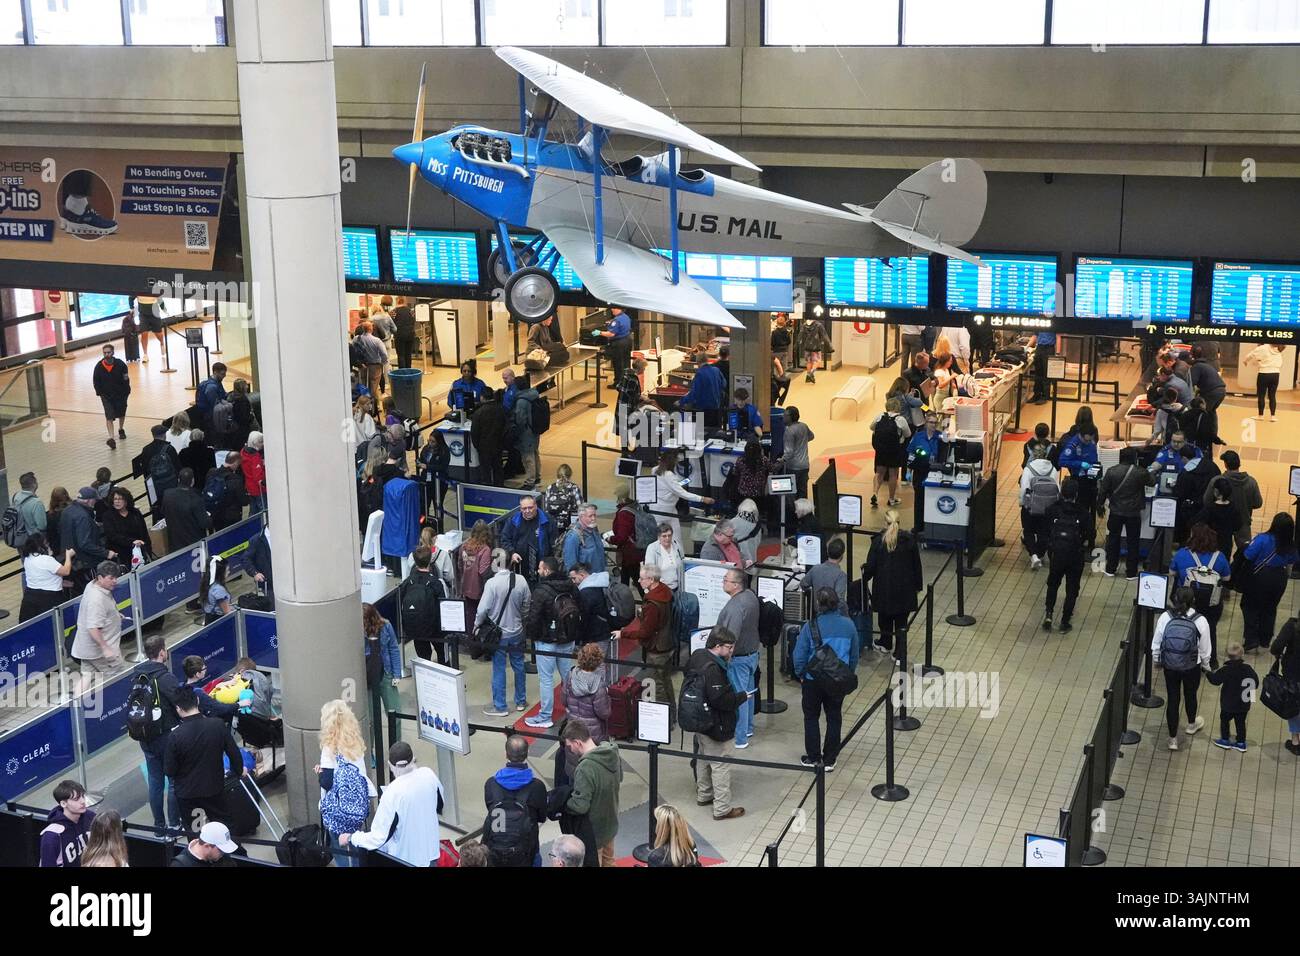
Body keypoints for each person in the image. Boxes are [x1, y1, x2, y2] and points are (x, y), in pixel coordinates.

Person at [341, 741, 445, 867]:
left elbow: (378, 837)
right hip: (431, 854)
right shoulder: (429, 775)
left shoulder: (392, 793)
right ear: (413, 759)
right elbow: (439, 806)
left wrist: (352, 838)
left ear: (390, 765)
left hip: (408, 860)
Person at [685, 627, 749, 821]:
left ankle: (704, 795)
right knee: (721, 763)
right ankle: (722, 808)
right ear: (717, 646)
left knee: (703, 757)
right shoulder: (714, 669)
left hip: (699, 720)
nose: (732, 651)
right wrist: (741, 697)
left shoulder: (697, 656)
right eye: (729, 647)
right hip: (716, 724)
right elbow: (721, 700)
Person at [792, 587, 859, 771]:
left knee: (811, 717)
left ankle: (813, 757)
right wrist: (846, 673)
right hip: (837, 679)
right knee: (834, 717)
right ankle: (830, 759)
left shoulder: (810, 626)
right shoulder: (849, 625)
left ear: (818, 605)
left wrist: (801, 674)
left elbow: (799, 655)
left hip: (812, 679)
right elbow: (854, 655)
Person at [165, 686, 245, 835]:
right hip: (214, 788)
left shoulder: (175, 736)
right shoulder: (217, 725)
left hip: (188, 795)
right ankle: (230, 855)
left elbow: (169, 770)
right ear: (197, 700)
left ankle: (201, 858)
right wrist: (238, 772)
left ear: (178, 708)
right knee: (224, 828)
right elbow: (234, 754)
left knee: (197, 833)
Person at [316, 699, 378, 866]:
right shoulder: (355, 742)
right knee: (357, 845)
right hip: (358, 808)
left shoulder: (329, 747)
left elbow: (327, 783)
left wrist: (320, 772)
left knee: (341, 850)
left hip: (338, 811)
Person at [132, 634, 185, 830]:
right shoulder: (165, 677)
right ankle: (174, 825)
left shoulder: (138, 675)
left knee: (155, 782)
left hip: (145, 736)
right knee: (173, 780)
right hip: (165, 735)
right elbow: (180, 701)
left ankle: (158, 826)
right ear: (162, 652)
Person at [1152, 586, 1212, 751]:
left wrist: (1157, 659)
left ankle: (1172, 739)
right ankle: (1191, 724)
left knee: (1173, 698)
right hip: (1192, 666)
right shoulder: (1200, 620)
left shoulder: (1166, 617)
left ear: (1175, 599)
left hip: (1170, 665)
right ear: (1193, 601)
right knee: (1190, 694)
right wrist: (1205, 666)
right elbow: (1205, 649)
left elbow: (1157, 641)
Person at [616, 563, 676, 726]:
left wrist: (623, 633)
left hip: (656, 649)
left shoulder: (652, 603)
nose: (639, 581)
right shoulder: (665, 592)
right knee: (666, 681)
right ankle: (673, 716)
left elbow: (644, 632)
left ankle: (666, 722)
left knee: (658, 685)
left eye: (642, 578)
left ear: (651, 580)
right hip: (667, 644)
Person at [523, 556, 578, 730]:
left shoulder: (541, 590)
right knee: (567, 676)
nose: (538, 571)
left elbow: (533, 617)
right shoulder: (570, 586)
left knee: (546, 679)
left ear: (546, 570)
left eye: (540, 568)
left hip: (546, 640)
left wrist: (532, 636)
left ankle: (545, 715)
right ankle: (574, 709)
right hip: (568, 638)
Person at [560, 720, 623, 867]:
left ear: (577, 743)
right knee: (609, 861)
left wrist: (564, 803)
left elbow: (580, 806)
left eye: (570, 746)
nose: (571, 750)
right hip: (611, 822)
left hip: (594, 831)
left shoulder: (585, 768)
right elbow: (619, 778)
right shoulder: (612, 753)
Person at [482, 735, 549, 866]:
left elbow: (490, 809)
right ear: (527, 753)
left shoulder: (491, 784)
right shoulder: (537, 786)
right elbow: (541, 817)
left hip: (495, 848)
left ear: (506, 754)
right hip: (527, 849)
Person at [862, 510, 923, 654]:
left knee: (885, 618)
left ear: (885, 522)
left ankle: (886, 642)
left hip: (884, 589)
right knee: (901, 622)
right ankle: (900, 653)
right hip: (905, 590)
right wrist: (918, 586)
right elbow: (917, 565)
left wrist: (865, 577)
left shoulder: (878, 542)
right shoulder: (909, 541)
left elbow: (871, 566)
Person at [477, 561, 531, 717]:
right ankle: (521, 701)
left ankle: (500, 706)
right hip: (517, 631)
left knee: (499, 668)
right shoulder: (521, 580)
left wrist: (477, 624)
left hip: (498, 634)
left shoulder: (492, 583)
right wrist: (521, 619)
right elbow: (527, 603)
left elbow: (482, 609)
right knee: (519, 664)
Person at [1239, 513, 1299, 652]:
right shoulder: (1290, 545)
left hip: (1260, 576)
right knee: (1270, 608)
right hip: (1279, 578)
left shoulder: (1262, 539)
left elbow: (1248, 555)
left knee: (1250, 606)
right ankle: (1265, 639)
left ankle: (1251, 639)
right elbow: (1291, 563)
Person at [715, 567, 760, 748]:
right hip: (752, 654)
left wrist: (723, 659)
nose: (723, 582)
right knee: (749, 693)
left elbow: (730, 639)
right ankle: (748, 727)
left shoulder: (734, 607)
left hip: (739, 659)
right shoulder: (750, 596)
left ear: (736, 585)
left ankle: (740, 738)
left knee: (739, 697)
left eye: (726, 580)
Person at [1097, 446, 1156, 580]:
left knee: (1113, 540)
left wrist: (1099, 504)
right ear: (1135, 458)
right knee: (1133, 542)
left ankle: (1111, 568)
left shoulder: (1112, 471)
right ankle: (1131, 572)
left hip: (1116, 511)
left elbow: (1103, 491)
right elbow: (1152, 483)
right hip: (1133, 513)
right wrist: (1150, 470)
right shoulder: (1140, 472)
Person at [1042, 478, 1089, 633]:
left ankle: (1049, 614)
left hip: (1057, 554)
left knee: (1053, 583)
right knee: (1071, 589)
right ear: (1076, 494)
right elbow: (1090, 534)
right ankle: (1064, 621)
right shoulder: (1082, 513)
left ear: (1061, 492)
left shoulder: (1052, 509)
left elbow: (1046, 530)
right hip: (1075, 556)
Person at [651, 450, 713, 551]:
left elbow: (666, 487)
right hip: (664, 511)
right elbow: (683, 494)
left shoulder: (654, 470)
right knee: (664, 539)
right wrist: (702, 499)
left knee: (676, 537)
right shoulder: (669, 475)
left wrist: (676, 485)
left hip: (665, 509)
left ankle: (679, 556)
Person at [72, 560, 124, 677]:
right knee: (119, 677)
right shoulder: (96, 599)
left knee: (86, 680)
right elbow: (93, 628)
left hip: (86, 649)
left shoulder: (92, 585)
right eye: (111, 578)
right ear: (100, 577)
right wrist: (106, 648)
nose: (115, 581)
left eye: (116, 577)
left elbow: (98, 613)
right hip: (99, 653)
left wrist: (114, 615)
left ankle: (77, 696)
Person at [1205, 643, 1258, 753]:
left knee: (1224, 720)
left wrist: (1207, 672)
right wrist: (1251, 700)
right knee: (1241, 723)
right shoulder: (1248, 669)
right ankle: (1241, 743)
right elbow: (1255, 683)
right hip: (1243, 704)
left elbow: (1215, 680)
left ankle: (1225, 740)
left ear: (1227, 655)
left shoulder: (1226, 670)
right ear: (1242, 654)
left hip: (1228, 703)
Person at [1206, 451, 1262, 553]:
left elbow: (1207, 501)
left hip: (1220, 524)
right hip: (1244, 522)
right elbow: (1258, 503)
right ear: (1239, 463)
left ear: (1225, 464)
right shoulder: (1251, 482)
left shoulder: (1217, 481)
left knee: (1220, 553)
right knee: (1245, 553)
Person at [1057, 424, 1101, 550]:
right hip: (1079, 481)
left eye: (1090, 439)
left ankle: (1090, 537)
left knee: (1091, 510)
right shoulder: (1073, 445)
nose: (1088, 442)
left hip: (1091, 479)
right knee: (1081, 509)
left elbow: (1093, 456)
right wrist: (1080, 464)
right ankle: (1079, 536)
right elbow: (1062, 461)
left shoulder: (1091, 442)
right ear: (1080, 436)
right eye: (1086, 440)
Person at [1019, 443, 1059, 570]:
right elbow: (1057, 488)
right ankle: (1040, 554)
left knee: (1028, 531)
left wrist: (1022, 503)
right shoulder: (1053, 469)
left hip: (1031, 506)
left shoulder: (1028, 469)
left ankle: (1034, 555)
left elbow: (1024, 488)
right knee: (1044, 532)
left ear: (1033, 455)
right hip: (1048, 507)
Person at [561, 642, 611, 743]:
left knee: (572, 756)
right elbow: (604, 713)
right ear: (598, 660)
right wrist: (608, 699)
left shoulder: (570, 676)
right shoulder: (599, 684)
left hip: (573, 729)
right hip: (593, 733)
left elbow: (564, 701)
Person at [39, 780, 96, 868]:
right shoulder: (52, 836)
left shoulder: (90, 817)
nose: (82, 801)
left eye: (82, 796)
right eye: (76, 799)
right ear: (63, 803)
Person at [500, 494, 552, 587]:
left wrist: (548, 562)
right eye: (524, 508)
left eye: (530, 507)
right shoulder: (513, 520)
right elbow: (505, 539)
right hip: (519, 566)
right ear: (520, 508)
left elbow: (553, 544)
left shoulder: (547, 520)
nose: (527, 511)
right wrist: (512, 553)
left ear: (536, 506)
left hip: (541, 567)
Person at [1173, 443, 1220, 544]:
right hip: (1210, 509)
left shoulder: (1186, 473)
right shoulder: (1211, 465)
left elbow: (1179, 494)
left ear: (1184, 458)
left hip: (1192, 512)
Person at [905, 413, 944, 534]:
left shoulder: (940, 437)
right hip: (920, 472)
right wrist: (908, 471)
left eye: (935, 423)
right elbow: (910, 454)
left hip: (935, 472)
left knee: (933, 499)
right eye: (931, 422)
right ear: (926, 423)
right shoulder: (918, 437)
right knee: (919, 500)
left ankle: (932, 525)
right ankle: (918, 526)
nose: (933, 425)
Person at [869, 397, 911, 510]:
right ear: (898, 407)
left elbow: (871, 427)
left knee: (879, 473)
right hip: (894, 450)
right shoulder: (900, 419)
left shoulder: (879, 416)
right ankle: (891, 499)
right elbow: (908, 434)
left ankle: (875, 494)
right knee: (893, 474)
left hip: (881, 449)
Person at [19, 534, 72, 621]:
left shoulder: (27, 559)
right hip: (49, 599)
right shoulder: (46, 560)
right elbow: (66, 571)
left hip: (30, 597)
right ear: (41, 546)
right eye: (46, 543)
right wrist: (68, 556)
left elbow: (42, 576)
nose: (48, 545)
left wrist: (61, 583)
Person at [161, 467, 211, 556]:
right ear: (193, 481)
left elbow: (164, 512)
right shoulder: (195, 499)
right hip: (194, 545)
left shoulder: (167, 494)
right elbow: (205, 523)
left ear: (178, 479)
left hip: (175, 545)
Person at [1269, 619, 1300, 755]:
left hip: (1293, 674)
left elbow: (1276, 648)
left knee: (1292, 705)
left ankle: (1295, 741)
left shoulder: (1292, 626)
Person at [101, 487, 151, 568]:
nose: (117, 501)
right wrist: (132, 542)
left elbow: (144, 533)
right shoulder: (108, 516)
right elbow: (112, 536)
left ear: (126, 500)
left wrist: (148, 550)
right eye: (115, 499)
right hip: (121, 555)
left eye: (120, 499)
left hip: (139, 552)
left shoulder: (135, 513)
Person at [92, 343, 130, 450]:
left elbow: (126, 379)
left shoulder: (121, 364)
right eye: (104, 353)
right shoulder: (99, 367)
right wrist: (100, 393)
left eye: (108, 352)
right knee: (109, 416)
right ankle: (111, 438)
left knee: (121, 413)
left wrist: (126, 392)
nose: (106, 355)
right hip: (106, 396)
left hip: (120, 394)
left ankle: (121, 429)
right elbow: (96, 381)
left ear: (113, 352)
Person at [180, 655, 240, 720]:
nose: (205, 670)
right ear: (197, 674)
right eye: (204, 669)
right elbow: (220, 708)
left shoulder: (181, 686)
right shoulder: (198, 692)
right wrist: (239, 704)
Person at [1194, 477, 1240, 560]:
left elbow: (1196, 522)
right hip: (1226, 543)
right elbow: (1238, 526)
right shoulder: (1234, 508)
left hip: (1209, 543)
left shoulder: (1209, 509)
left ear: (1216, 491)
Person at [511, 373, 543, 489]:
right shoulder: (534, 394)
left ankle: (530, 480)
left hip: (526, 432)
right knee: (535, 452)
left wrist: (516, 432)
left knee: (527, 456)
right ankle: (537, 475)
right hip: (535, 429)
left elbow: (520, 419)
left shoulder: (521, 401)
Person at [571, 562, 613, 646]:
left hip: (595, 635)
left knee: (596, 658)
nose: (573, 581)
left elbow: (584, 618)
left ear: (582, 575)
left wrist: (578, 640)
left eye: (574, 578)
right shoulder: (601, 584)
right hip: (606, 629)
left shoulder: (586, 592)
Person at [610, 488, 645, 586]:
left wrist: (610, 539)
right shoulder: (635, 506)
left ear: (621, 498)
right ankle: (623, 598)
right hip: (636, 549)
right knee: (625, 578)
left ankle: (649, 600)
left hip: (630, 552)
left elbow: (622, 537)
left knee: (639, 583)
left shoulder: (624, 513)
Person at [540, 463, 584, 541]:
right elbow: (581, 508)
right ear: (570, 475)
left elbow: (546, 509)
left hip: (553, 526)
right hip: (570, 527)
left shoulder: (550, 487)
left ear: (557, 474)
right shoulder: (574, 488)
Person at [800, 536, 849, 606]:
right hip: (832, 614)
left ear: (827, 552)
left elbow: (803, 584)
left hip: (817, 612)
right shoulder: (841, 575)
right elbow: (839, 601)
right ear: (842, 556)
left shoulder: (815, 568)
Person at [1242, 343, 1284, 421]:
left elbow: (1251, 355)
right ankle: (1273, 416)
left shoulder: (1263, 347)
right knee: (1272, 395)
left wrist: (1245, 361)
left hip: (1263, 374)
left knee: (1261, 395)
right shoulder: (1279, 348)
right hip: (1275, 374)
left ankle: (1260, 416)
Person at [680, 356, 726, 427]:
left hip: (705, 411)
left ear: (698, 363)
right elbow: (724, 384)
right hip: (717, 410)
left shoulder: (700, 374)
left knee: (705, 433)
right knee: (716, 433)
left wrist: (681, 401)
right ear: (707, 360)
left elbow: (694, 394)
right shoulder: (716, 370)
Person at [171, 822, 240, 868]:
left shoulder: (221, 857)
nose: (223, 853)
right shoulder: (181, 864)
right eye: (221, 849)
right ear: (207, 846)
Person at [562, 502, 606, 574]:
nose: (593, 518)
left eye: (595, 515)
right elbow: (570, 565)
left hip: (599, 577)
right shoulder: (573, 536)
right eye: (590, 516)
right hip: (586, 581)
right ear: (581, 516)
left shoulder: (594, 530)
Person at [782, 406, 814, 500]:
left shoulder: (789, 431)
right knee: (803, 494)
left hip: (793, 467)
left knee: (792, 495)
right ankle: (804, 513)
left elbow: (789, 453)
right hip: (804, 466)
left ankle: (793, 514)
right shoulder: (804, 425)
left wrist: (780, 461)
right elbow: (811, 436)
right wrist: (800, 442)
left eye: (785, 415)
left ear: (790, 417)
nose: (783, 417)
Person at [597, 305, 634, 383]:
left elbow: (611, 334)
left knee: (618, 363)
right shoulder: (626, 317)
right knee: (626, 362)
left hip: (619, 343)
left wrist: (599, 332)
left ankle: (618, 382)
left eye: (614, 308)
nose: (612, 310)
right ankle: (626, 381)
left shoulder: (616, 320)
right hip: (627, 340)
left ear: (620, 309)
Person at [9, 470, 46, 547]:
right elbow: (42, 526)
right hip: (34, 542)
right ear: (34, 484)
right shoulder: (36, 503)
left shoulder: (14, 497)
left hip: (19, 538)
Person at [643, 522, 684, 591]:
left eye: (669, 535)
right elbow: (650, 571)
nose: (667, 538)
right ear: (659, 537)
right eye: (664, 536)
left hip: (677, 588)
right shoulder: (652, 548)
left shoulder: (676, 545)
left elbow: (683, 562)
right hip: (660, 589)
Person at [1188, 345, 1227, 412]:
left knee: (1202, 412)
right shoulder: (1206, 365)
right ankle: (1212, 422)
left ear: (1192, 356)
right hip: (1222, 391)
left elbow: (1191, 383)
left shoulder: (1196, 367)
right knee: (1211, 412)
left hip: (1212, 392)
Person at [195, 361, 229, 432]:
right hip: (211, 418)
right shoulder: (212, 387)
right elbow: (216, 404)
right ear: (215, 372)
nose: (225, 376)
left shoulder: (216, 383)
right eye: (222, 374)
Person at [241, 431, 267, 515]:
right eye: (261, 442)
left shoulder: (243, 452)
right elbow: (258, 476)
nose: (262, 444)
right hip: (259, 489)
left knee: (253, 511)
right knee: (263, 511)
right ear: (256, 443)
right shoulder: (255, 456)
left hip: (249, 486)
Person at [799, 317, 833, 383]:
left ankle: (808, 376)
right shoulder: (818, 325)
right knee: (818, 361)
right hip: (816, 346)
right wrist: (830, 346)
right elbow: (825, 336)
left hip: (807, 346)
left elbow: (800, 336)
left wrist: (797, 345)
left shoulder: (804, 325)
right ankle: (811, 373)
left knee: (809, 362)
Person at [228, 378, 256, 450]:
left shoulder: (230, 396)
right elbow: (244, 417)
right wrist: (251, 417)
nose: (247, 386)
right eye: (245, 385)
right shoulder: (242, 400)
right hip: (242, 429)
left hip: (233, 427)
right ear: (242, 387)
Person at [392, 296, 418, 369]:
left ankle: (402, 372)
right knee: (408, 354)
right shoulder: (411, 311)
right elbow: (413, 321)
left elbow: (392, 324)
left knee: (401, 355)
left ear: (397, 301)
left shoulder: (394, 312)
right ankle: (409, 370)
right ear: (404, 301)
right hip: (410, 335)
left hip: (399, 335)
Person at [46, 486, 71, 555]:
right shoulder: (74, 509)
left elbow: (50, 535)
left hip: (59, 549)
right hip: (74, 546)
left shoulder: (49, 516)